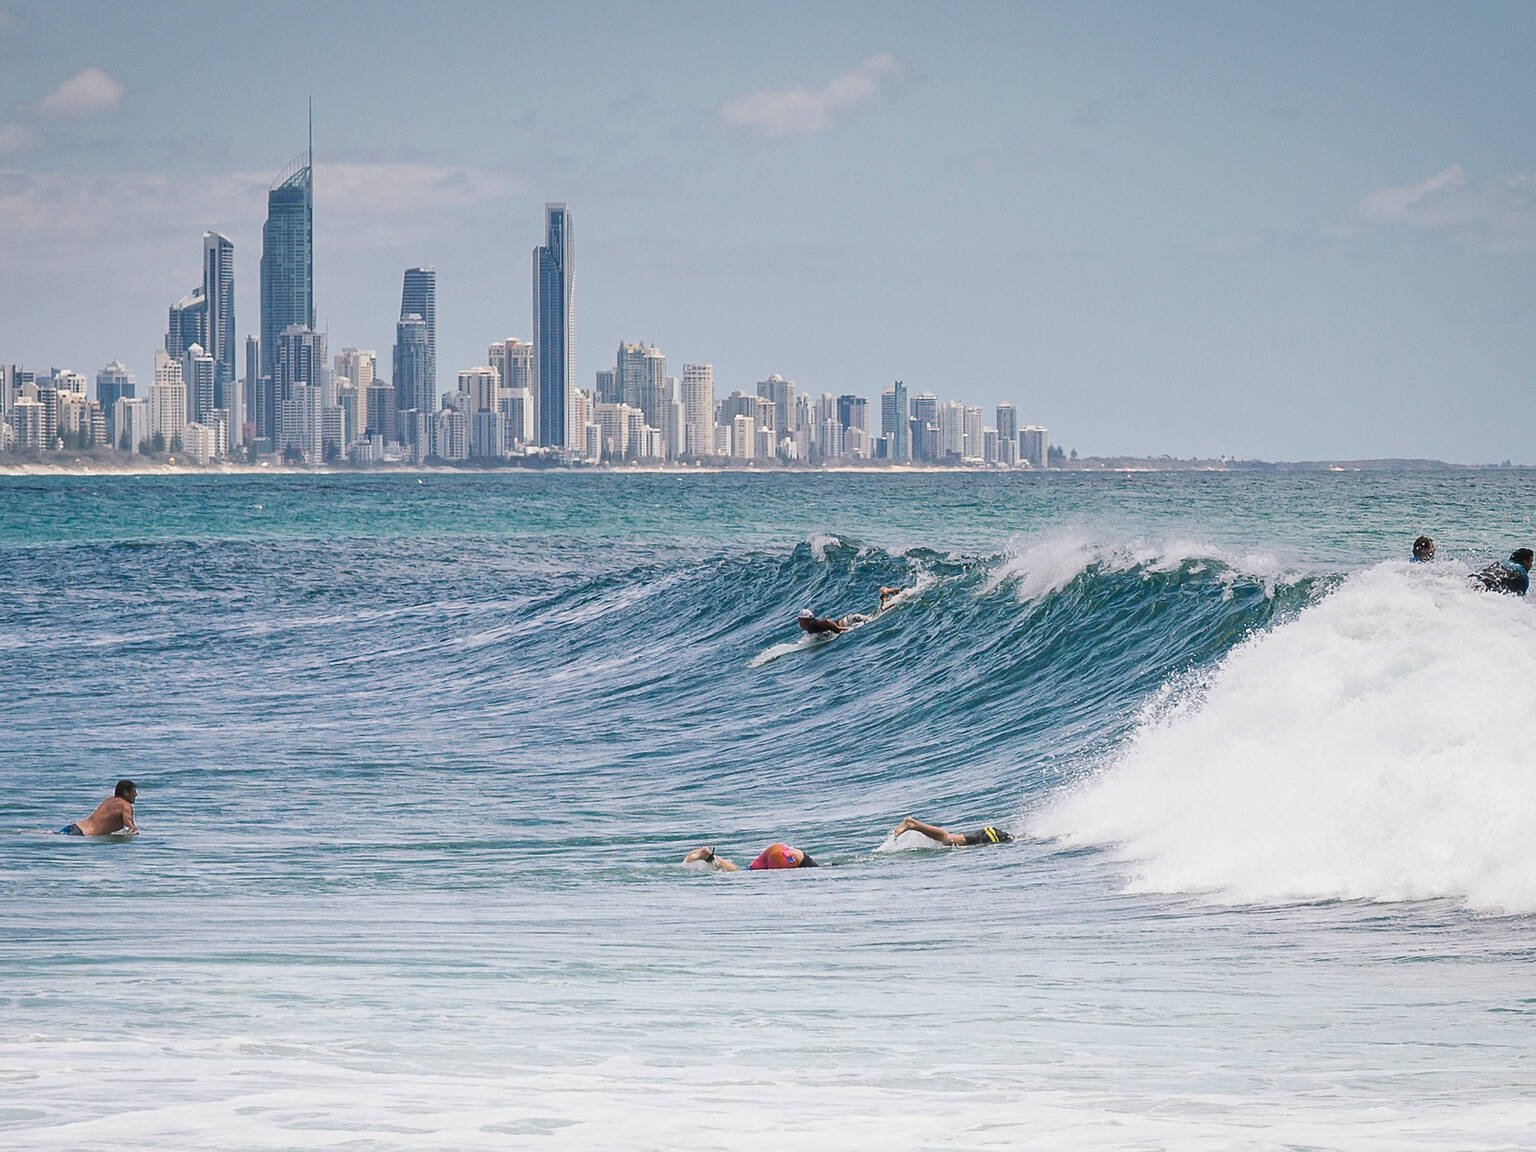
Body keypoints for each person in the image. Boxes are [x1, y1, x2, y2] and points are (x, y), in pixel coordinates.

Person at [795, 586, 907, 635]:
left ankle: (885, 593)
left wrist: (854, 628)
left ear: (808, 621)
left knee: (878, 615)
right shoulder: (811, 628)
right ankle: (886, 595)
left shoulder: (821, 624)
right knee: (878, 613)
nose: (799, 624)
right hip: (849, 620)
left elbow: (838, 629)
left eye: (801, 621)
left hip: (852, 620)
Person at [59, 780, 138, 836]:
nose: (136, 794)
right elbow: (130, 827)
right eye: (134, 792)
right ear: (126, 792)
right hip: (82, 835)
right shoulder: (126, 806)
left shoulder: (108, 800)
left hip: (73, 827)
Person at [684, 842, 818, 872]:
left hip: (779, 850)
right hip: (785, 856)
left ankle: (709, 857)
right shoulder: (814, 869)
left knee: (740, 871)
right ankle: (708, 856)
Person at [890, 816, 1014, 847]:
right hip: (993, 836)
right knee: (947, 840)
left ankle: (914, 825)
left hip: (992, 834)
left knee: (947, 839)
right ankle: (912, 824)